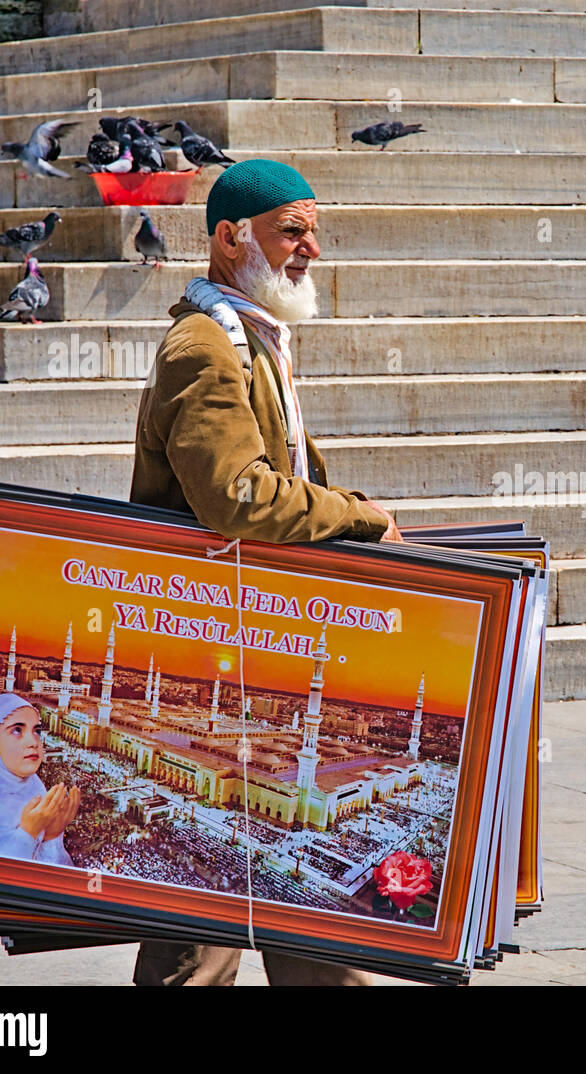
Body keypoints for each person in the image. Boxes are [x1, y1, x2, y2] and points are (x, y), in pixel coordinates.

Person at [129, 158, 398, 986]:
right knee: (202, 937)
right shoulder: (205, 346)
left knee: (307, 923)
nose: (311, 247)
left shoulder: (251, 335)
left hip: (263, 656)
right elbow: (240, 498)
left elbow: (284, 483)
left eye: (314, 229)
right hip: (214, 658)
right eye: (294, 230)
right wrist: (358, 515)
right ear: (229, 236)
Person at [0, 692, 80, 866]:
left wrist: (51, 837)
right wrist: (27, 834)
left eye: (36, 731)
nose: (33, 741)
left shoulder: (36, 793)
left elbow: (57, 885)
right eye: (17, 730)